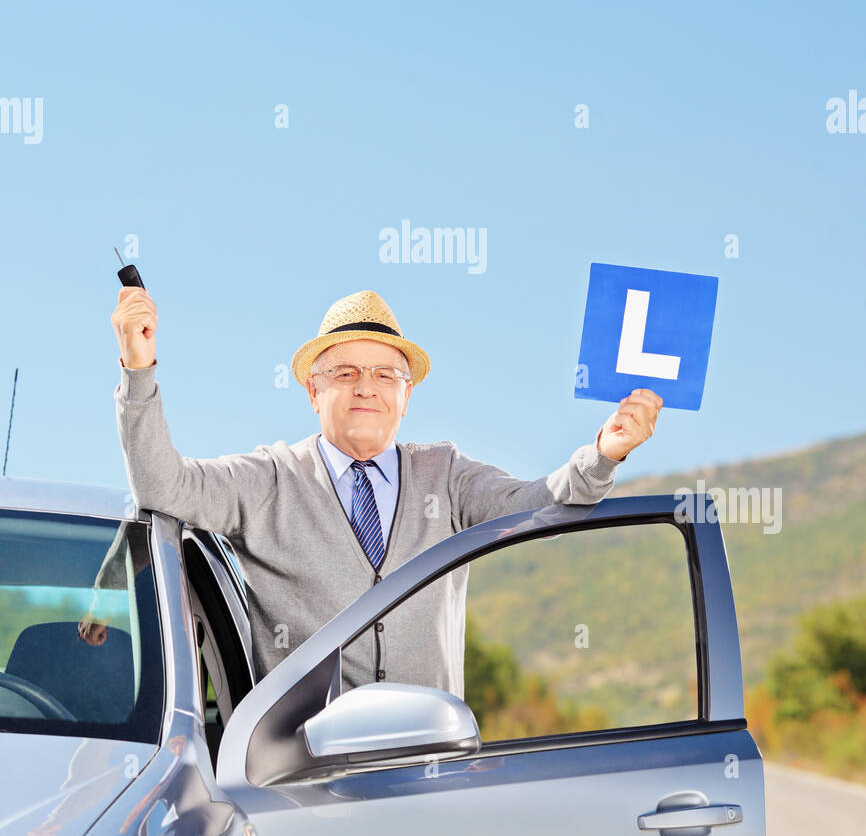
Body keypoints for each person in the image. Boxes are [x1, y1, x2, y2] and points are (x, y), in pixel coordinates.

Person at [82, 288, 661, 696]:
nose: (368, 388)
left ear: (406, 397)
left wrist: (604, 452)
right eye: (346, 373)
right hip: (300, 789)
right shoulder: (269, 479)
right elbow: (163, 487)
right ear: (314, 391)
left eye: (387, 375)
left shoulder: (447, 475)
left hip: (428, 780)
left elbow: (541, 504)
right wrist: (140, 367)